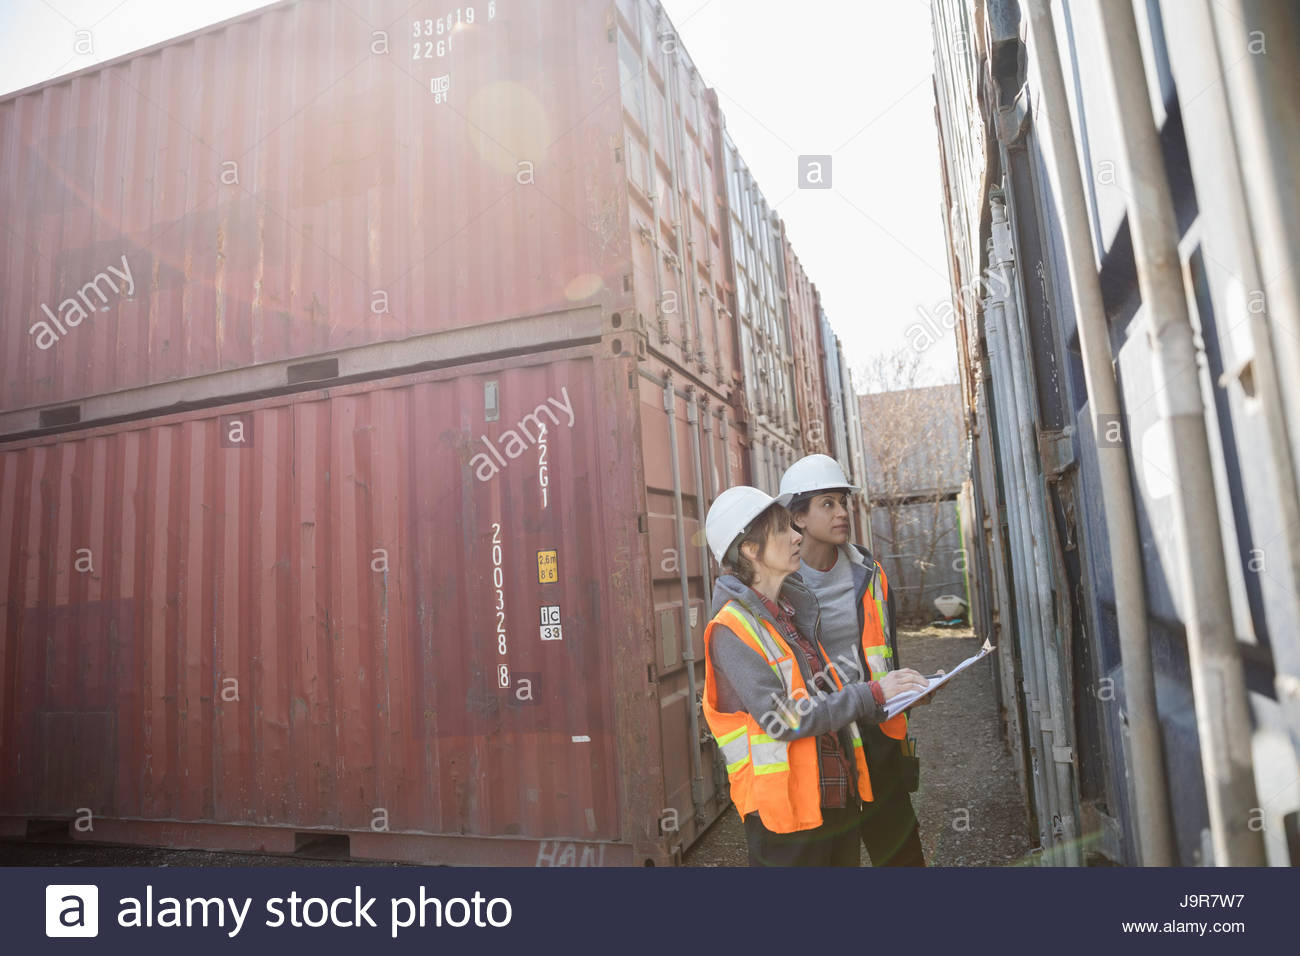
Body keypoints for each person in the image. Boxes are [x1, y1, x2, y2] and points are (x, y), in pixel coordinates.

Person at [701, 485, 931, 866]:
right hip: (787, 822)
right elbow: (784, 717)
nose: (796, 536)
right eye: (782, 531)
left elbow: (827, 696)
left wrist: (896, 695)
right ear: (749, 550)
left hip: (833, 801)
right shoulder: (731, 630)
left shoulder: (791, 611)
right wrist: (870, 693)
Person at [780, 454, 936, 867]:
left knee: (901, 854)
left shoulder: (869, 572)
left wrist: (910, 690)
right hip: (822, 739)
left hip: (876, 732)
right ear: (798, 517)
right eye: (827, 504)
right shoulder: (779, 584)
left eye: (843, 502)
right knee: (832, 857)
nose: (842, 512)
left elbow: (884, 653)